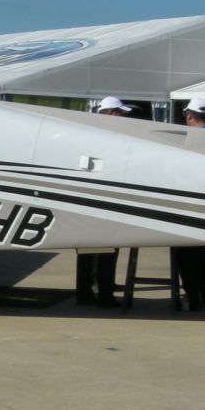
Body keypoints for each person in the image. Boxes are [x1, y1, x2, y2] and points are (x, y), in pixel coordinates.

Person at [76, 96, 130, 307]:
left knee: (88, 251)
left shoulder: (88, 134)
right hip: (104, 201)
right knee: (106, 251)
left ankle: (85, 292)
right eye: (119, 113)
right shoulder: (110, 138)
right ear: (109, 114)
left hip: (89, 200)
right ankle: (104, 294)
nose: (123, 117)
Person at [174, 98, 205, 310]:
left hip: (188, 202)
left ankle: (192, 296)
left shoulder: (188, 139)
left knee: (184, 251)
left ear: (190, 115)